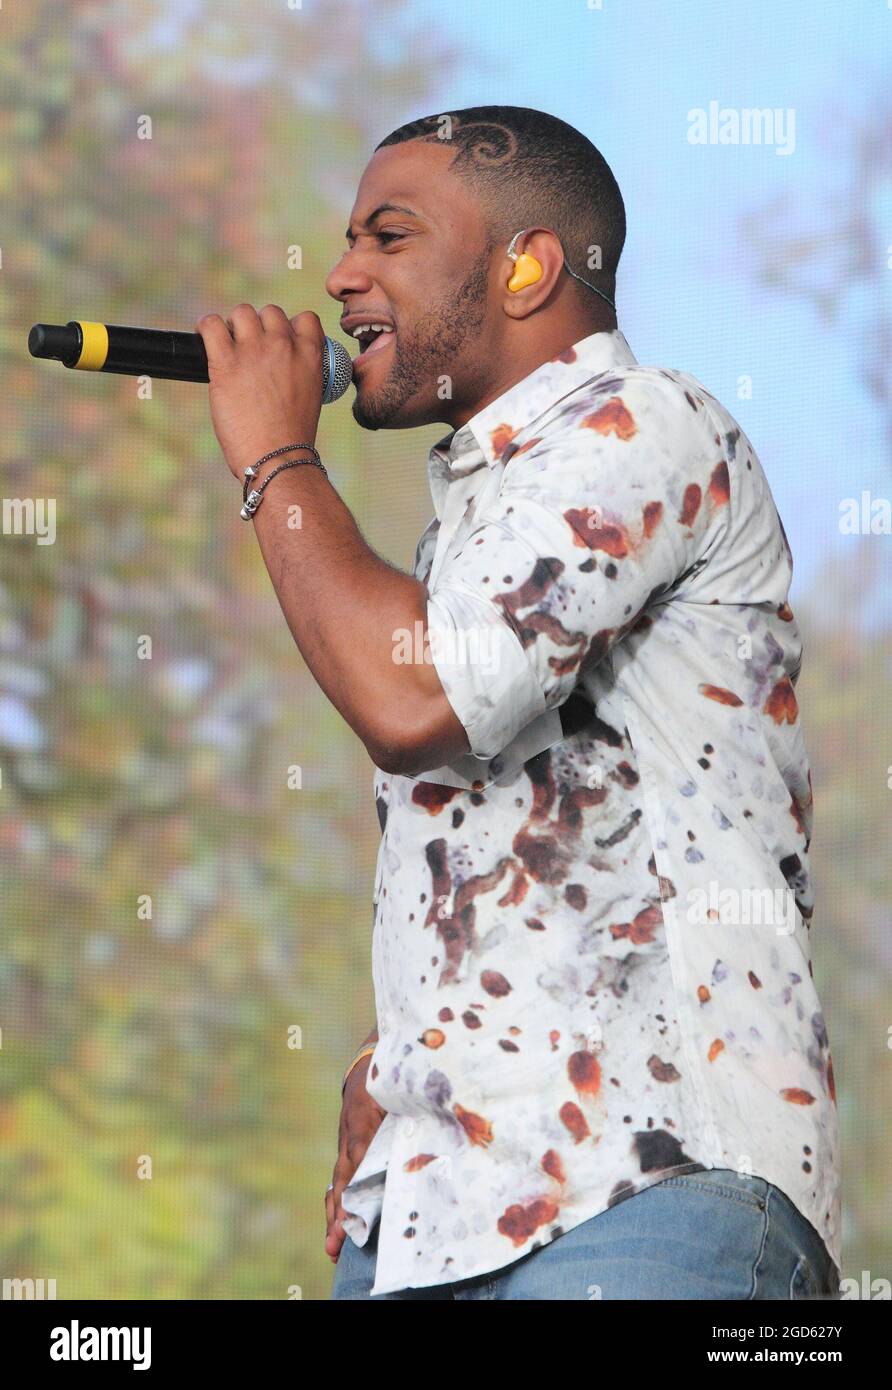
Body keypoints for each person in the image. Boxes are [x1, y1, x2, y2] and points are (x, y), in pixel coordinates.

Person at [195, 105, 841, 1301]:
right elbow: (535, 843)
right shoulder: (475, 523)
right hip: (432, 1209)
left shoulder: (647, 423)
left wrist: (274, 459)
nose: (339, 278)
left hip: (650, 1188)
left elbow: (415, 699)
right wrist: (407, 1052)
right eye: (348, 241)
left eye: (388, 237)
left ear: (529, 265)